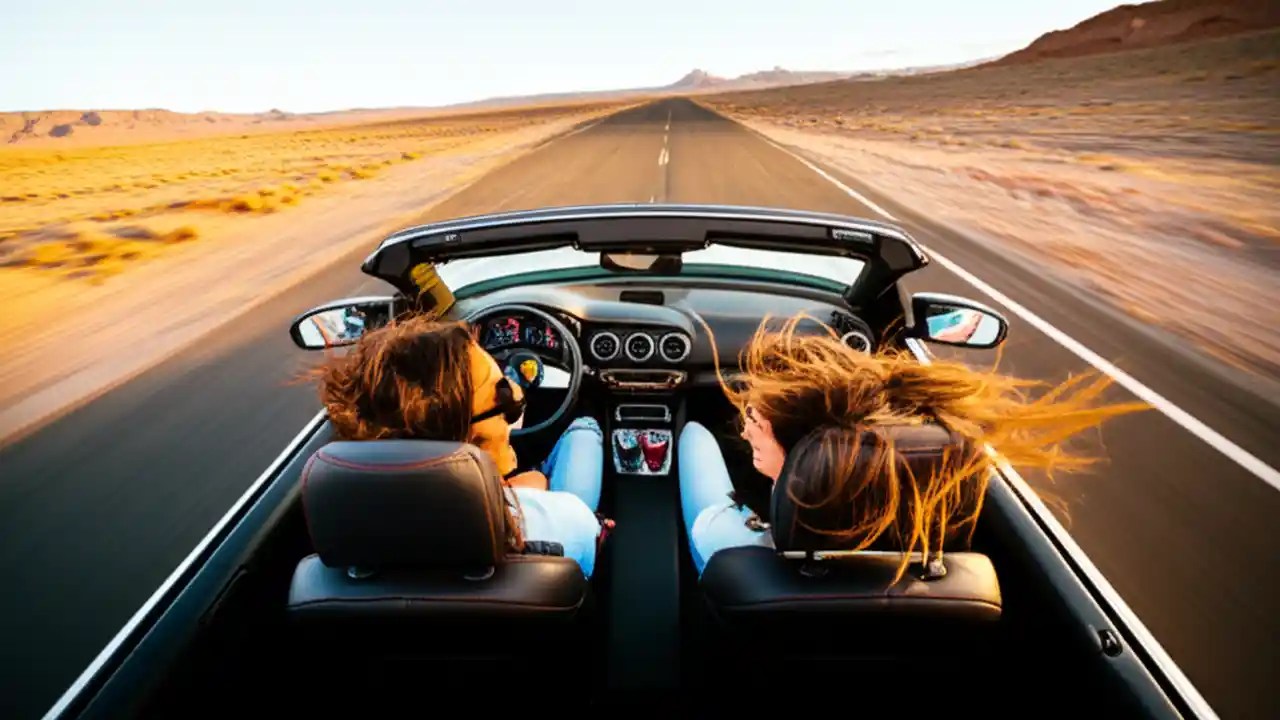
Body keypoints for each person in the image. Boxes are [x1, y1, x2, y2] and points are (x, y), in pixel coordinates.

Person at [678, 313, 1147, 579]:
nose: (744, 431)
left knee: (694, 438)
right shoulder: (959, 581)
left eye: (754, 420)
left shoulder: (727, 542)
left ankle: (600, 432)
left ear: (807, 447)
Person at [314, 314, 606, 578]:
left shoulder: (349, 544)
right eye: (502, 392)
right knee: (584, 430)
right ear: (458, 435)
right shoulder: (568, 522)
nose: (517, 392)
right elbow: (585, 533)